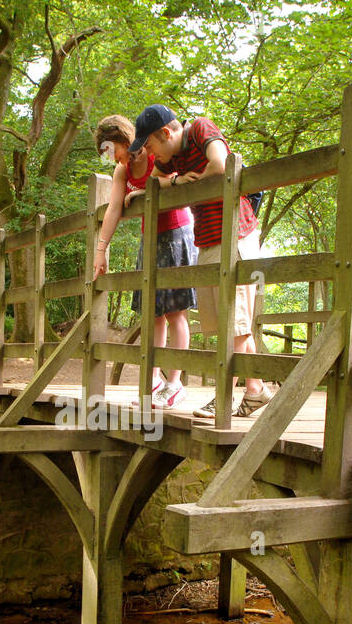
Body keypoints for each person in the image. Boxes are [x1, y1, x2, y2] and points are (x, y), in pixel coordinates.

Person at [129, 104, 275, 419]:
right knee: (226, 324)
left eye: (151, 146)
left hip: (234, 235)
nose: (152, 154)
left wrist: (191, 181)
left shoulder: (199, 129)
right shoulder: (173, 160)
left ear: (165, 133)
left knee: (233, 323)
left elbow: (221, 164)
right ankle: (256, 389)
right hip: (207, 240)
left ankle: (222, 397)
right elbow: (154, 182)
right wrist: (178, 181)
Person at [92, 115, 196, 409]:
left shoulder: (154, 155)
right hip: (149, 236)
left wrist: (144, 191)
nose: (110, 156)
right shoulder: (121, 171)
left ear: (124, 140)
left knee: (176, 311)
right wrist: (101, 250)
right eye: (106, 152)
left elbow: (176, 179)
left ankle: (175, 383)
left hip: (176, 231)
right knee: (152, 313)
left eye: (111, 149)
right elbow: (113, 209)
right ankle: (152, 382)